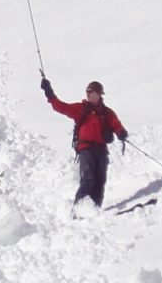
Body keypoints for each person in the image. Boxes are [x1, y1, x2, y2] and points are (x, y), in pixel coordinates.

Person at [41, 76, 127, 209]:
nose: (88, 94)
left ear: (99, 94)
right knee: (88, 179)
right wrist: (49, 92)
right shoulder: (80, 108)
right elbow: (61, 107)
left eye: (91, 92)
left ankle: (94, 209)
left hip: (101, 150)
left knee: (100, 181)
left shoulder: (107, 113)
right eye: (87, 91)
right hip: (86, 148)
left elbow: (116, 125)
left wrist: (121, 132)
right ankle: (78, 211)